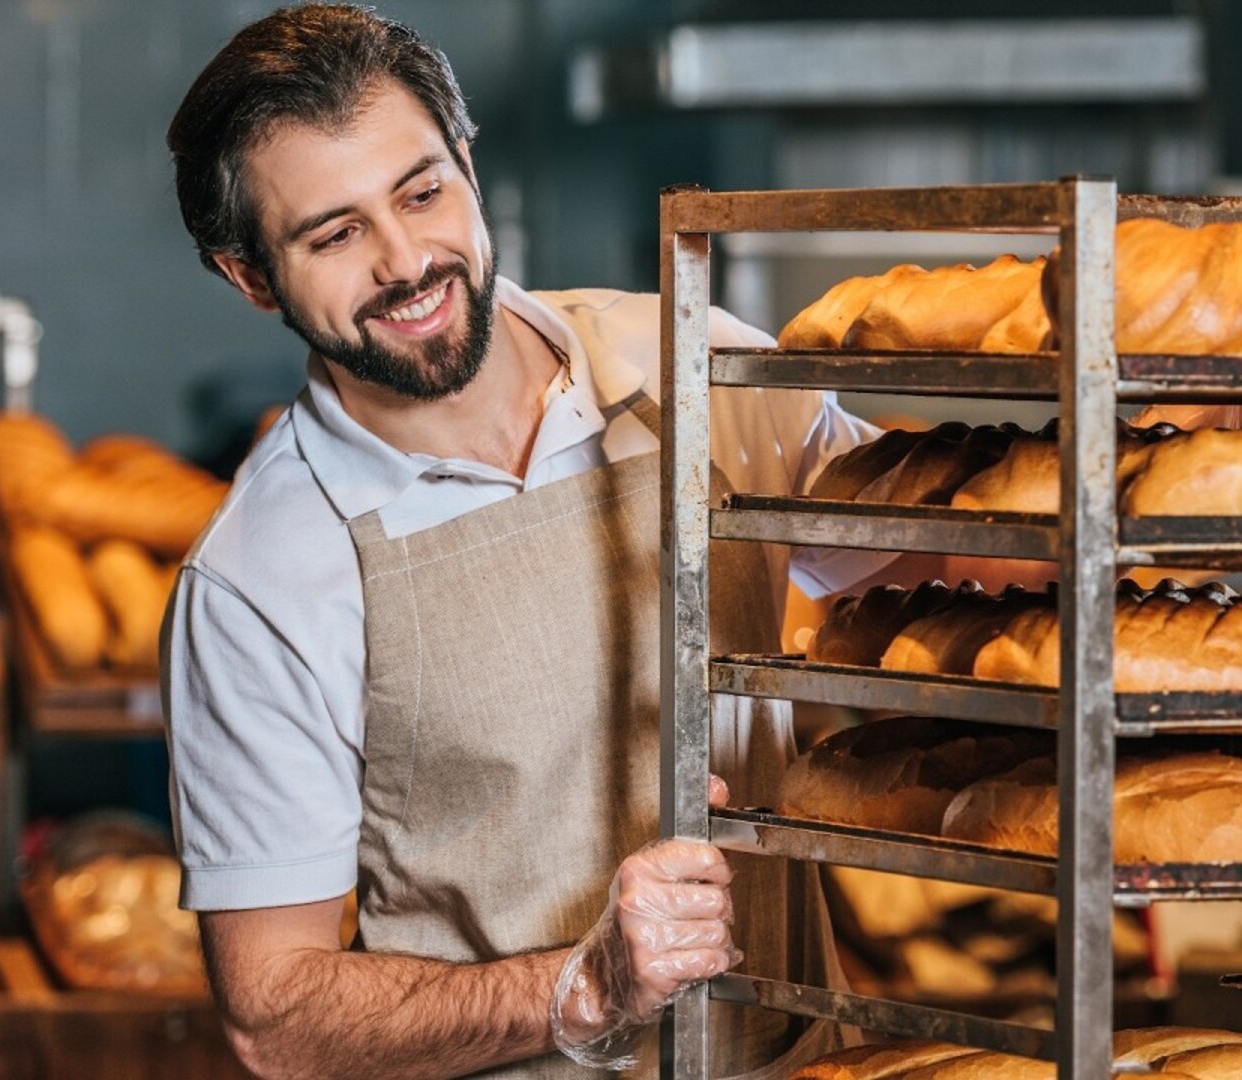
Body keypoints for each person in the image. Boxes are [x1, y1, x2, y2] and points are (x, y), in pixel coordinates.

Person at [162, 5, 903, 1077]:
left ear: (467, 164)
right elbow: (276, 1017)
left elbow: (959, 565)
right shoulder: (259, 579)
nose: (407, 260)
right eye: (335, 235)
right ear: (250, 276)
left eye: (423, 192)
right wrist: (587, 986)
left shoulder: (692, 368)